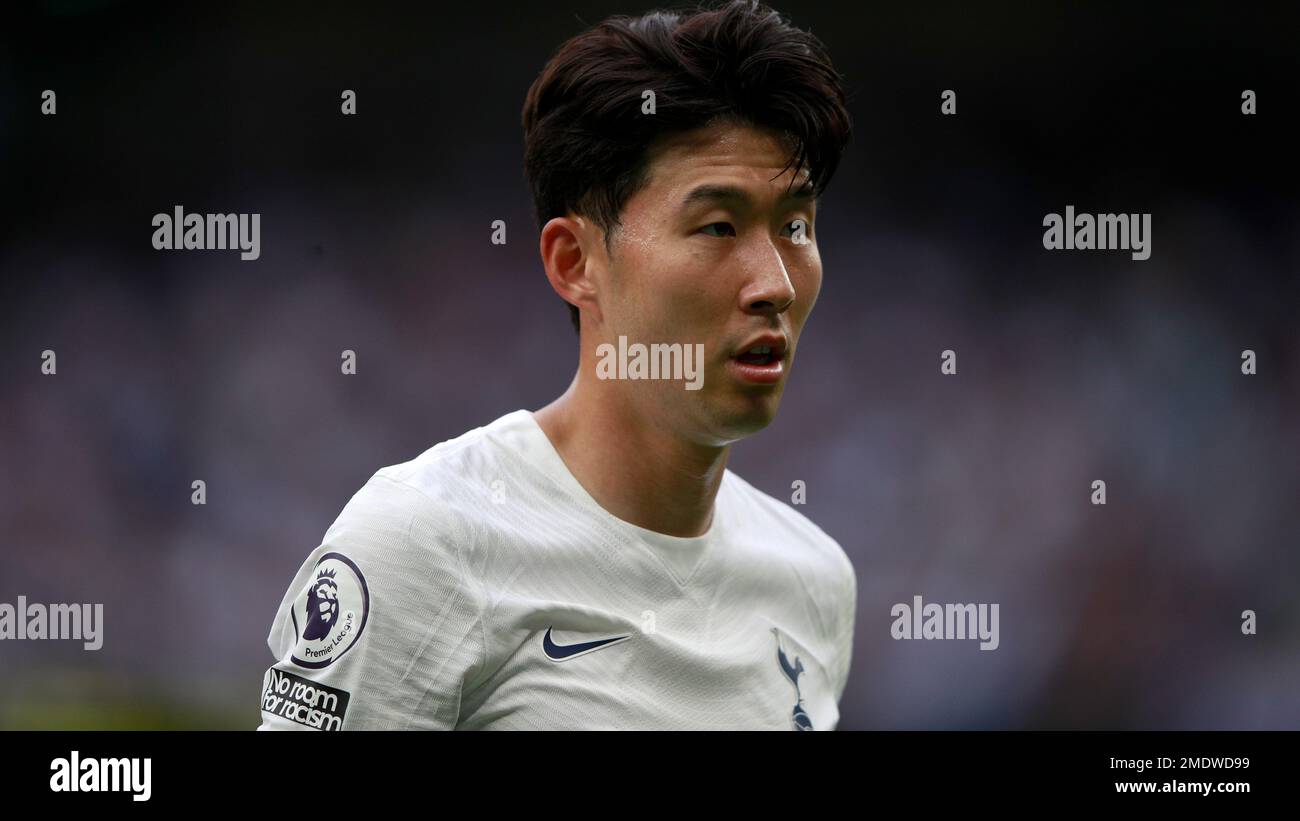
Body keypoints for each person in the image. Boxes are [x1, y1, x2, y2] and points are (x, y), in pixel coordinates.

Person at [258, 0, 856, 730]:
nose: (776, 283)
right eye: (718, 226)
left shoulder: (814, 581)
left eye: (795, 225)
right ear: (576, 262)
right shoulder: (426, 543)